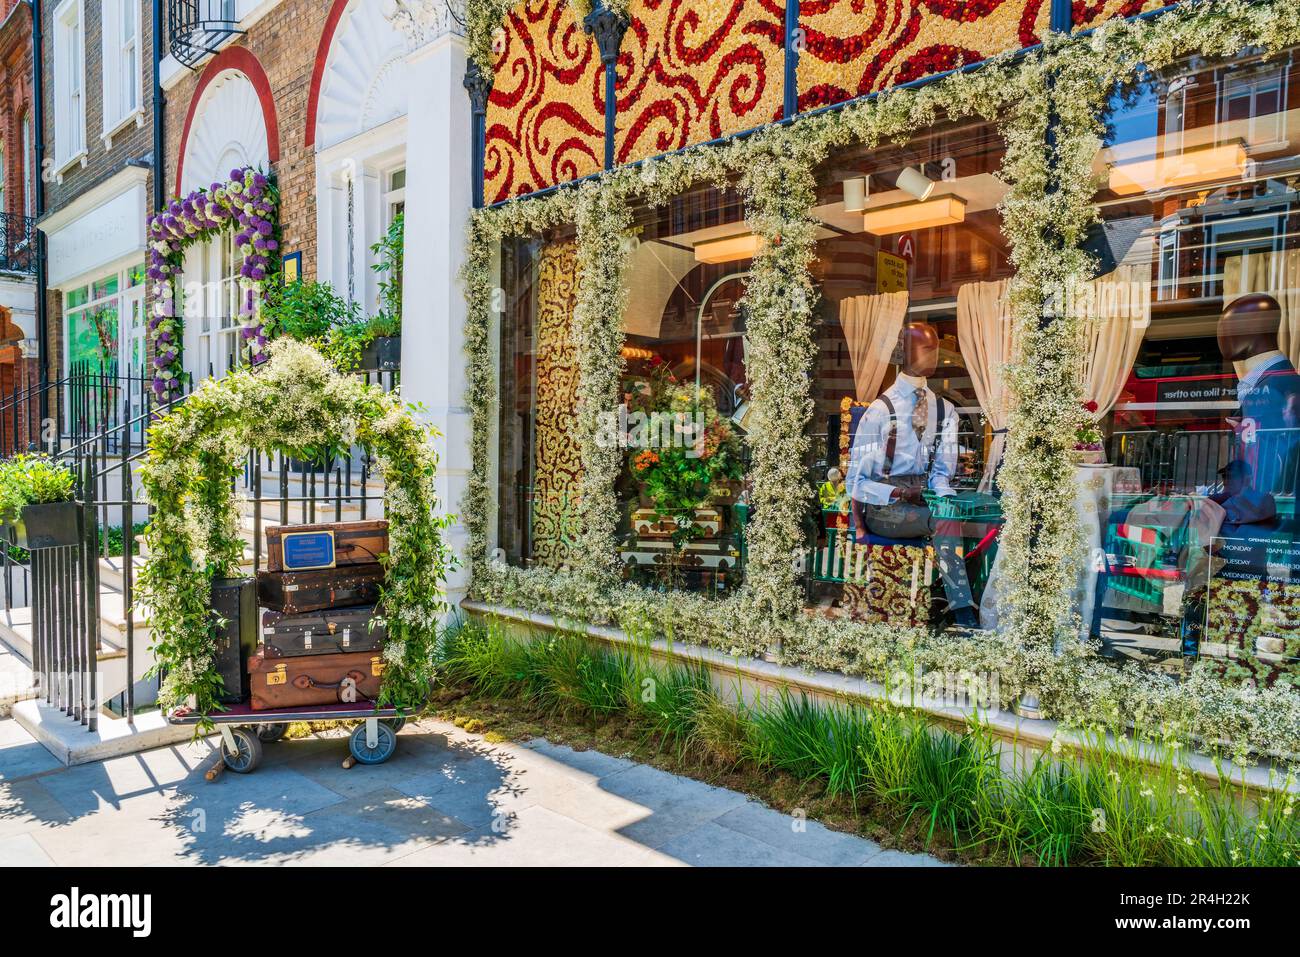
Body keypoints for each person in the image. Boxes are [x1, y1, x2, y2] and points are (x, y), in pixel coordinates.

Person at [845, 322, 978, 628]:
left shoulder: (945, 410)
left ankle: (945, 600)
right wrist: (896, 496)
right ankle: (962, 612)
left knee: (964, 521)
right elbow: (856, 482)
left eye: (935, 349)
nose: (934, 355)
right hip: (885, 507)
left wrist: (944, 499)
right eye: (926, 348)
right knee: (943, 522)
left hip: (923, 500)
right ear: (905, 352)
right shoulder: (880, 410)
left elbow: (941, 474)